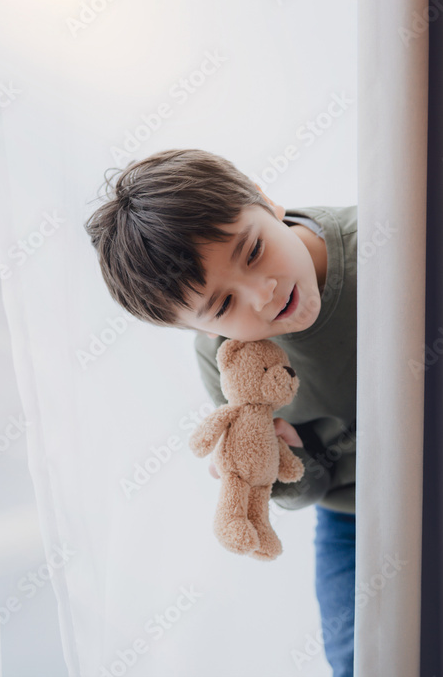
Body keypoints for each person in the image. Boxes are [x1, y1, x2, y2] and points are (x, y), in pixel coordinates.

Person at [84, 148, 357, 677]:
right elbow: (311, 487)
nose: (262, 293)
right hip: (355, 514)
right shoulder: (225, 362)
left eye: (253, 251)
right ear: (202, 329)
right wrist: (285, 463)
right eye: (223, 306)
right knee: (356, 658)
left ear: (267, 202)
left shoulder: (380, 239)